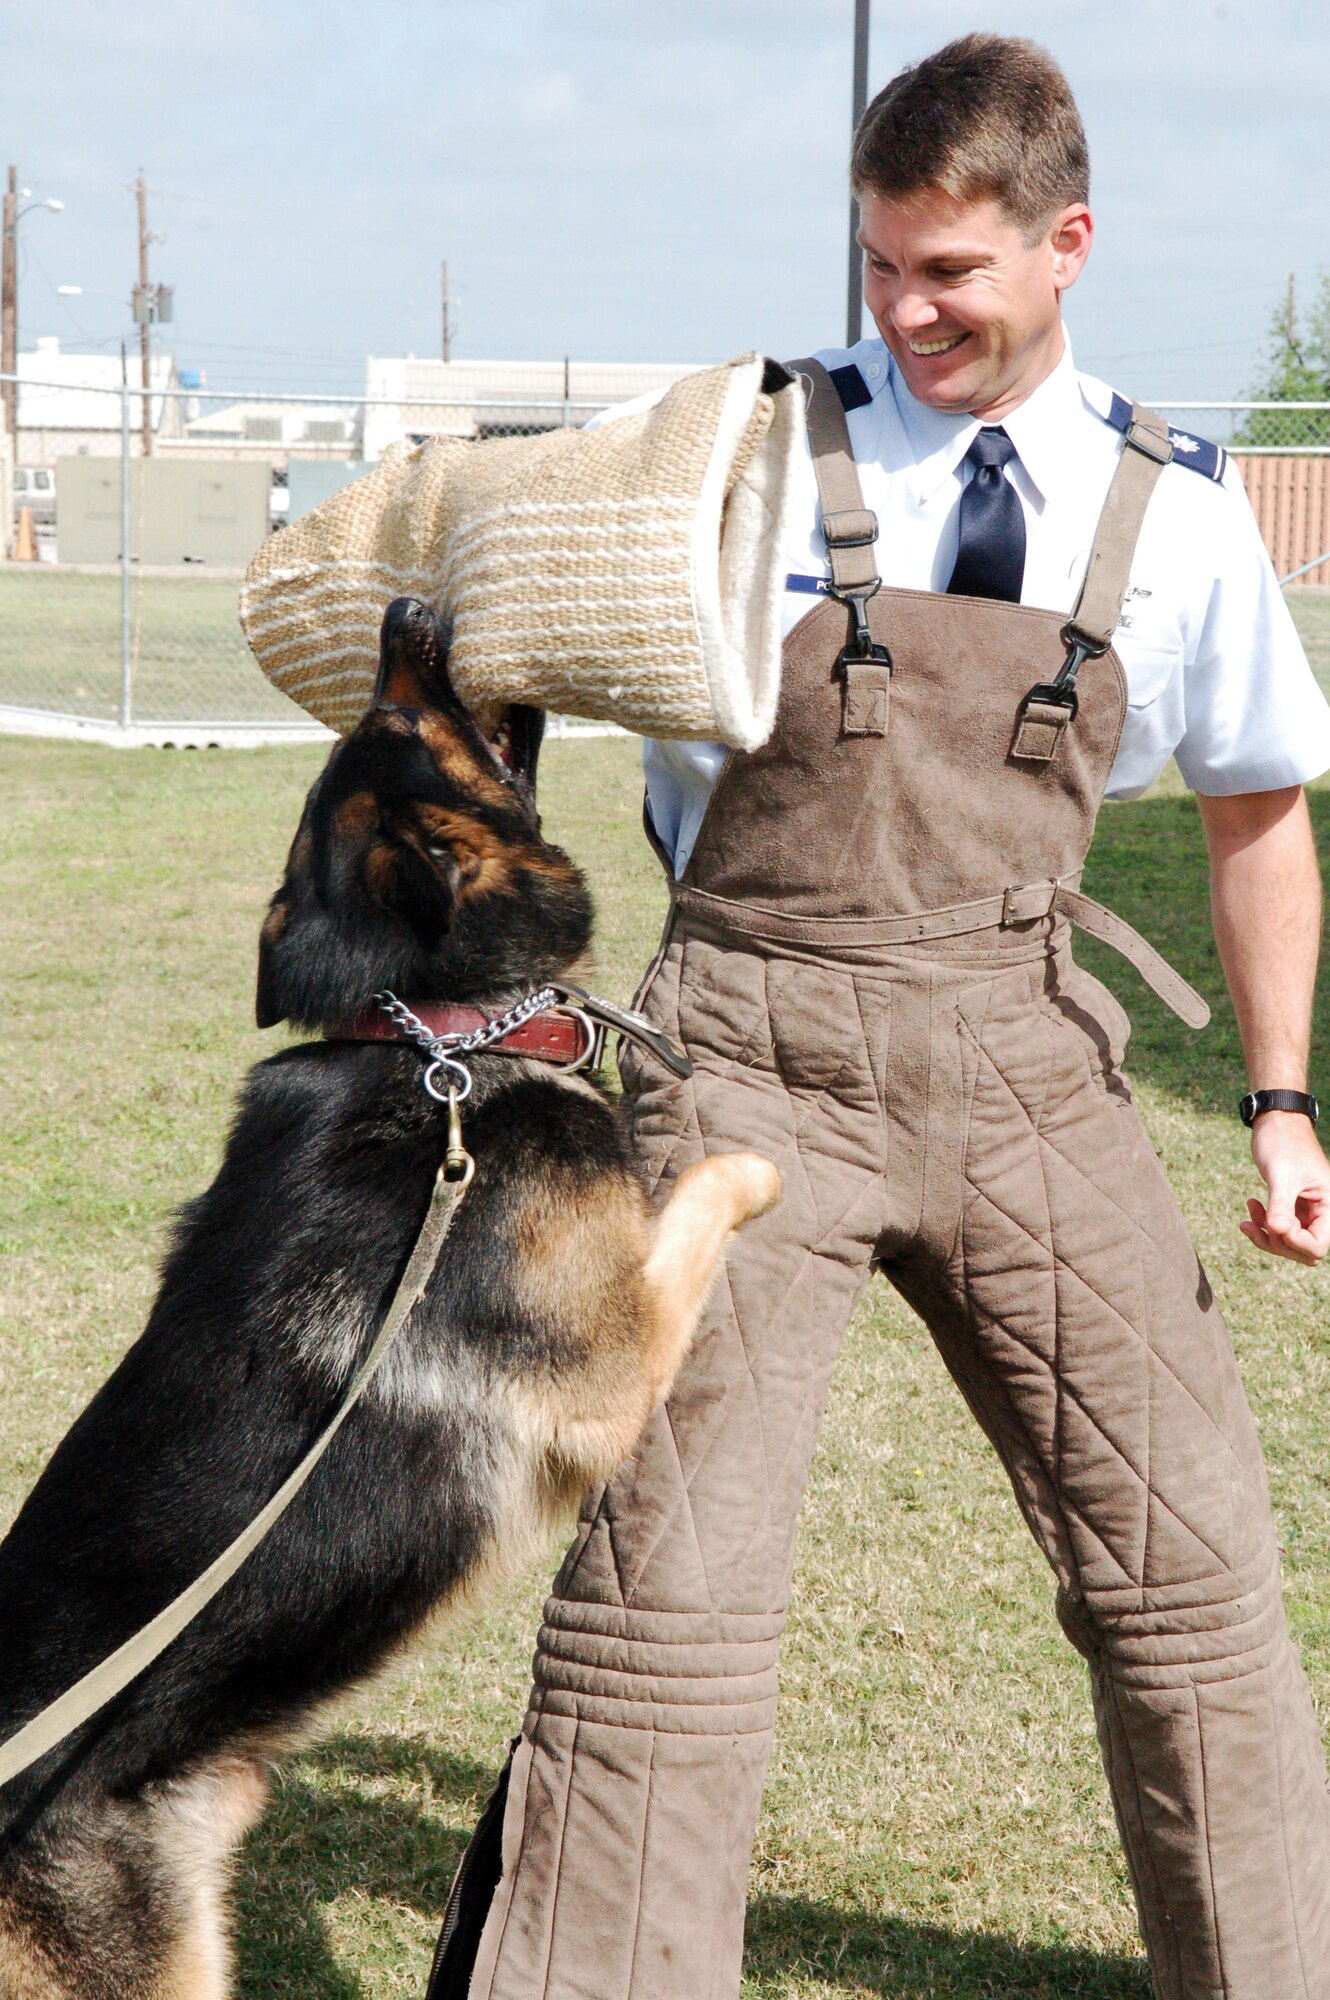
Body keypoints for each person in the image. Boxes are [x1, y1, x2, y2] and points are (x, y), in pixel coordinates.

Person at [428, 34, 1330, 2000]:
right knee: (665, 1602)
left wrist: (1276, 1101)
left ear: (1066, 243)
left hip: (1025, 1061)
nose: (905, 310)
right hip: (742, 1060)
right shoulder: (734, 454)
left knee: (1191, 1580)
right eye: (878, 264)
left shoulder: (1178, 511)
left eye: (950, 272)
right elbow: (484, 648)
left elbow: (1258, 818)